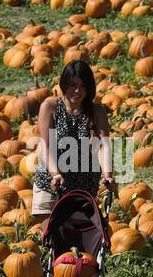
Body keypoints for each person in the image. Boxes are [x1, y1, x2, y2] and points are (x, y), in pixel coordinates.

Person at [30, 59, 113, 233]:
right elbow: (45, 144)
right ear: (64, 84)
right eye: (73, 85)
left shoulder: (96, 111)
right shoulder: (50, 106)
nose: (77, 91)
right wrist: (55, 174)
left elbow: (103, 144)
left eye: (83, 86)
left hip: (82, 188)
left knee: (78, 242)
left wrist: (107, 174)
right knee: (51, 239)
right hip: (51, 183)